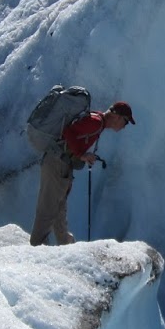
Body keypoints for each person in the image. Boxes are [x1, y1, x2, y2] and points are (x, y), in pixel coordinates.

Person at [30, 100, 135, 246]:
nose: (125, 126)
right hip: (56, 163)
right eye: (126, 121)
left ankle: (65, 246)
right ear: (117, 116)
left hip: (61, 164)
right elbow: (68, 131)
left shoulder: (97, 122)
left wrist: (82, 155)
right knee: (48, 208)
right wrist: (82, 155)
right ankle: (36, 248)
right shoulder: (96, 122)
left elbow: (73, 136)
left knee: (59, 208)